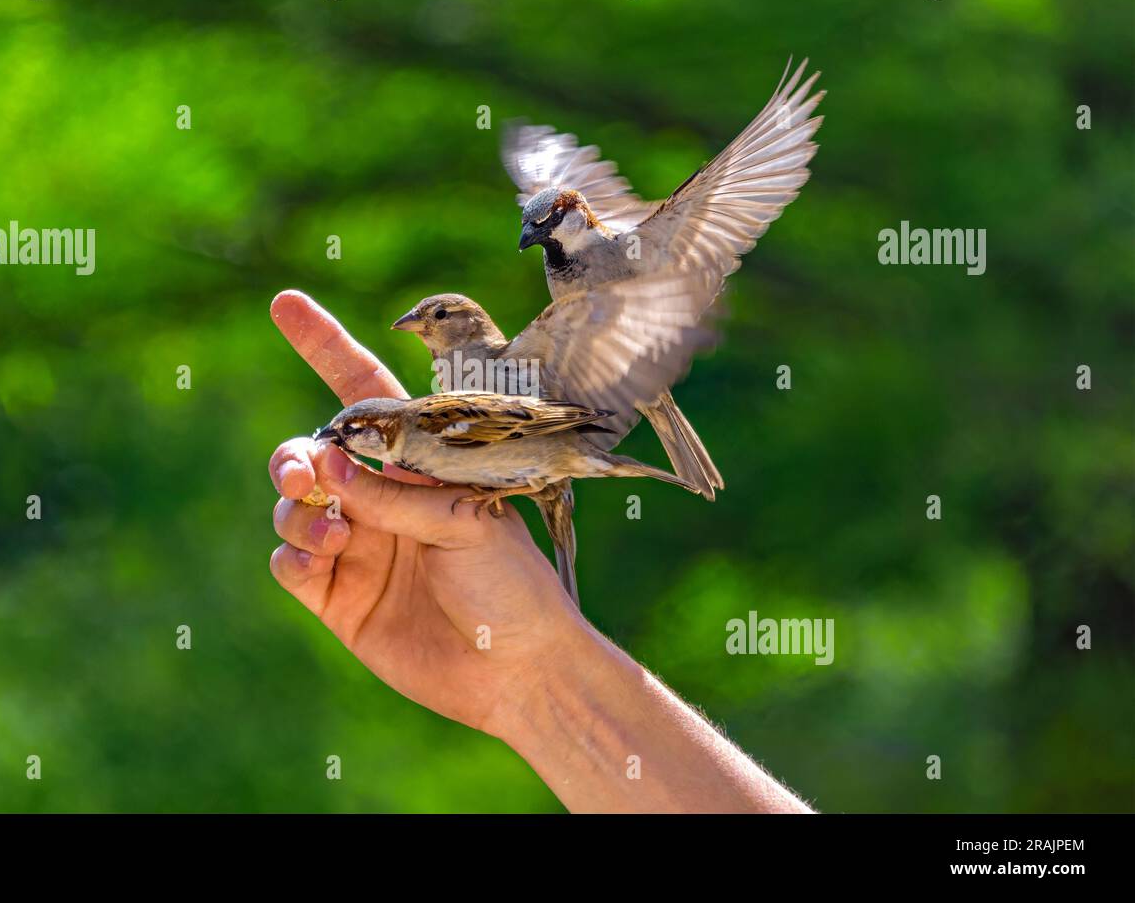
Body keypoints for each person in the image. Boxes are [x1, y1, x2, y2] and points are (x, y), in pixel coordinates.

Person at [268, 290, 811, 813]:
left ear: (383, 429)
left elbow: (522, 419)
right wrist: (535, 669)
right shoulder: (430, 420)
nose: (343, 444)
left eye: (354, 432)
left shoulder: (445, 415)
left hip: (549, 449)